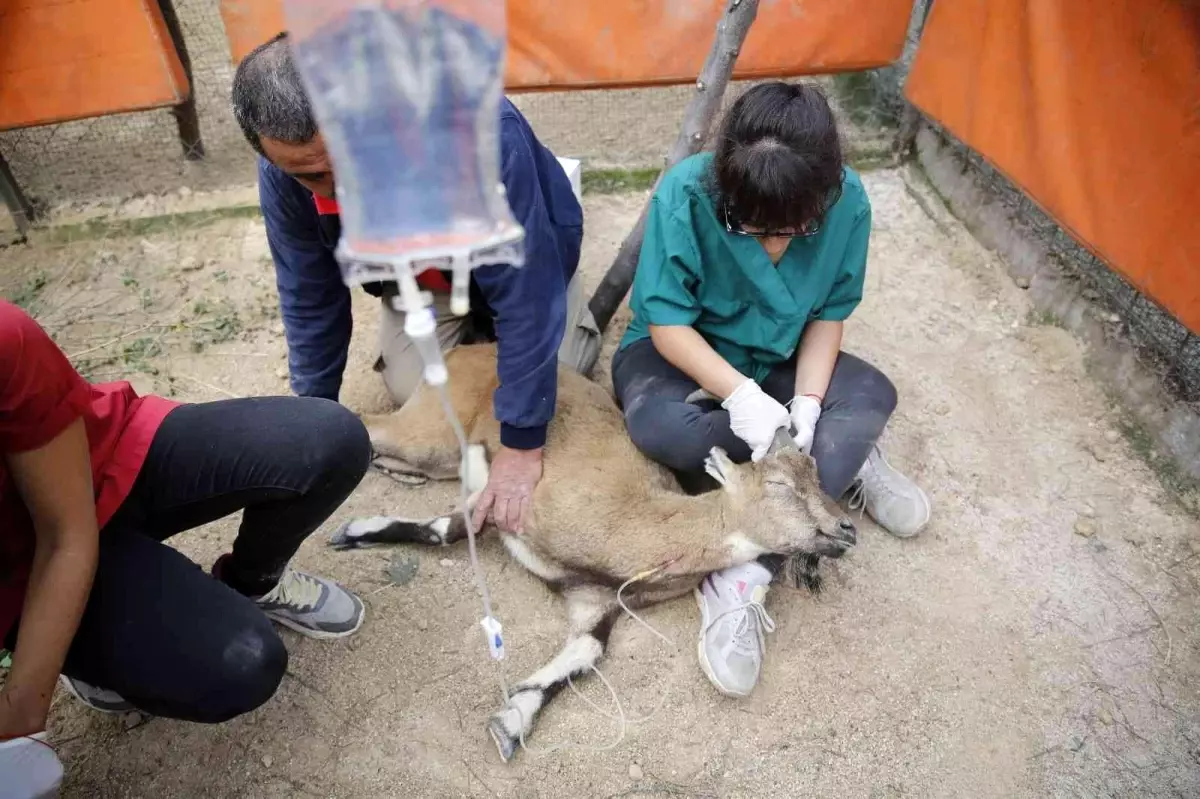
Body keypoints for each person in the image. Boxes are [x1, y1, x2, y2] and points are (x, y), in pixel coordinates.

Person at [611, 82, 932, 698]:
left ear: (825, 192)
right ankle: (828, 466)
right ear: (726, 184)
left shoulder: (850, 201)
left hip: (780, 356)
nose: (775, 244)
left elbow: (827, 315)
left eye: (795, 228)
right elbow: (668, 324)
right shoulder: (685, 190)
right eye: (750, 227)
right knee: (660, 428)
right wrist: (738, 396)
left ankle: (749, 565)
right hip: (684, 358)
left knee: (867, 396)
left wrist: (807, 403)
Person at [231, 32, 599, 535]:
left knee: (556, 395)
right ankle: (483, 348)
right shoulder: (283, 173)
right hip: (426, 280)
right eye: (315, 176)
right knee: (413, 393)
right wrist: (312, 417)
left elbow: (526, 296)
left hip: (526, 261)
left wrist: (521, 445)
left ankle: (559, 323)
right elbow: (309, 292)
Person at [0, 300, 369, 743]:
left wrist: (19, 721)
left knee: (331, 440)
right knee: (241, 663)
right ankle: (88, 647)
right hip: (20, 570)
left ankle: (254, 580)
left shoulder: (5, 335)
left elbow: (66, 533)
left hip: (103, 457)